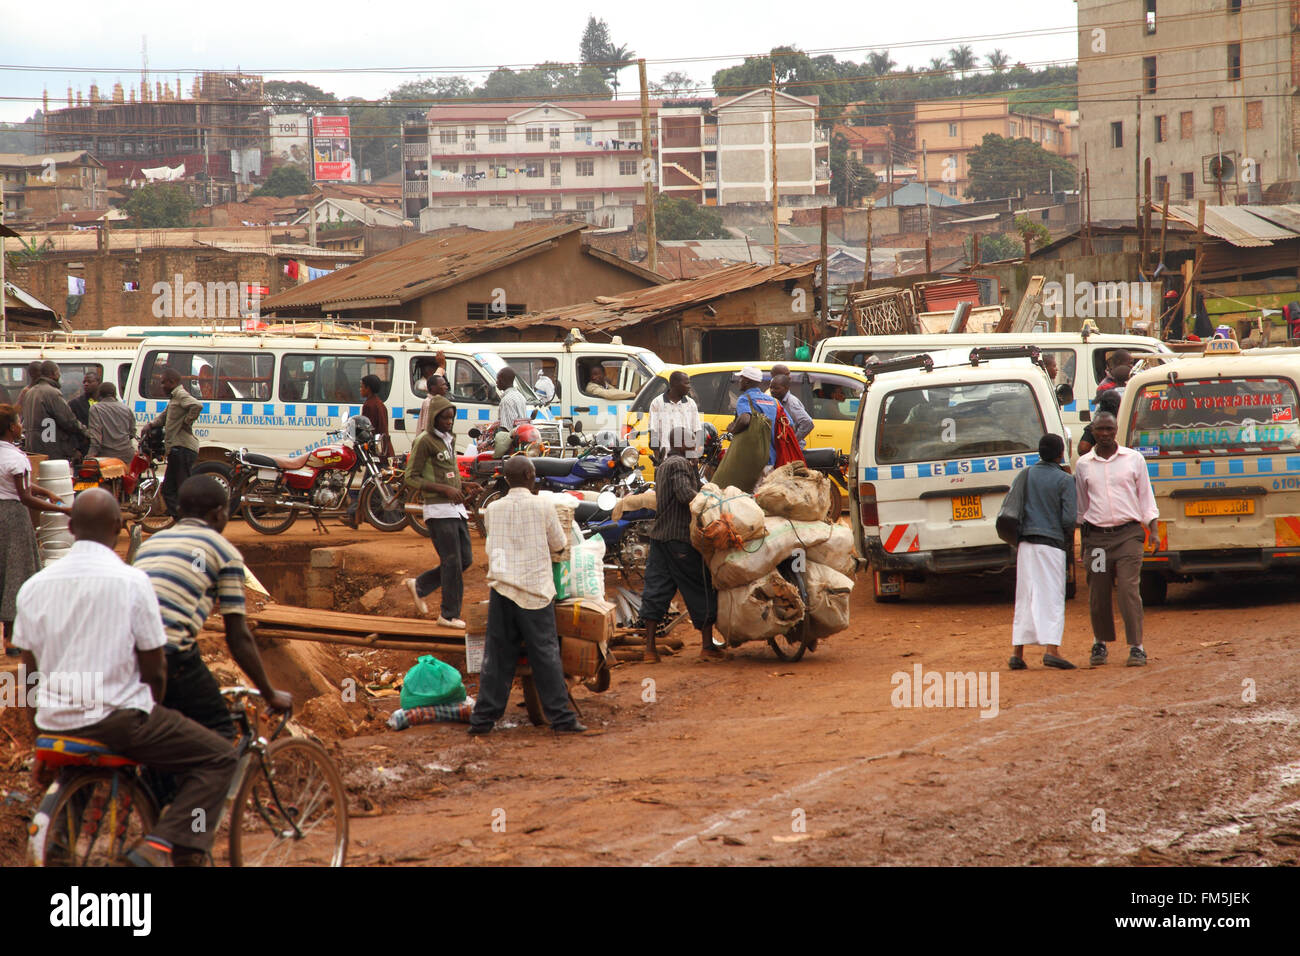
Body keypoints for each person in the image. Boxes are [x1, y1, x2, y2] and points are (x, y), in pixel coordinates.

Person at [12, 489, 238, 867]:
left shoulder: (34, 587)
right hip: (117, 721)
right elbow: (154, 670)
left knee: (84, 764)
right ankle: (160, 845)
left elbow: (30, 675)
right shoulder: (132, 583)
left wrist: (41, 732)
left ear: (69, 527)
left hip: (54, 723)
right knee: (219, 757)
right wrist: (151, 709)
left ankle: (59, 851)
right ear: (119, 528)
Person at [133, 476, 291, 810]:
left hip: (128, 656)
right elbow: (238, 635)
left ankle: (162, 802)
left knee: (167, 730)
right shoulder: (224, 552)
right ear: (220, 513)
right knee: (220, 735)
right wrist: (269, 692)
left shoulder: (151, 544)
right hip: (170, 655)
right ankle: (185, 828)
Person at [469, 456, 586, 735]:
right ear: (531, 475)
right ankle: (561, 719)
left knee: (497, 657)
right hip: (535, 591)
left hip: (502, 589)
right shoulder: (544, 505)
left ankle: (482, 720)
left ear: (507, 479)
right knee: (545, 655)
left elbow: (490, 548)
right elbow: (559, 544)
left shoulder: (493, 508)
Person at [1074, 411, 1159, 667]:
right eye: (1100, 430)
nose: (1105, 434)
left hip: (1128, 537)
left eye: (1110, 429)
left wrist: (1153, 529)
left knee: (1128, 590)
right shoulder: (1084, 465)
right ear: (1093, 431)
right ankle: (1100, 642)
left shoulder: (1134, 459)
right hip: (1098, 540)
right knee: (1098, 591)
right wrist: (1080, 543)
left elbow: (1146, 497)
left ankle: (1137, 646)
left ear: (1116, 430)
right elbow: (1081, 506)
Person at [641, 440, 721, 663]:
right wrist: (710, 501)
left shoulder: (664, 464)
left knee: (656, 589)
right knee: (700, 586)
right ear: (684, 443)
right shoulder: (679, 464)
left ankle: (650, 650)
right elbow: (684, 493)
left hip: (660, 538)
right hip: (679, 539)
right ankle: (707, 646)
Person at [1, 404, 71, 656]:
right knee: (16, 573)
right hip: (13, 518)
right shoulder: (17, 458)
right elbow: (25, 497)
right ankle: (11, 638)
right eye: (18, 421)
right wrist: (64, 510)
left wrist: (47, 491)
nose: (21, 425)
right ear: (11, 428)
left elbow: (20, 488)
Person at [403, 395, 478, 628]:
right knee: (452, 561)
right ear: (434, 417)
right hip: (437, 510)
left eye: (451, 418)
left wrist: (464, 486)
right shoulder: (424, 440)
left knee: (464, 559)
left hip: (455, 510)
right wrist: (444, 489)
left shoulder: (449, 439)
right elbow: (411, 477)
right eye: (445, 418)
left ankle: (420, 585)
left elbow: (448, 471)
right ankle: (448, 615)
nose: (449, 422)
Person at [1009, 434, 1077, 670]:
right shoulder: (1064, 480)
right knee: (1051, 598)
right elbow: (1069, 519)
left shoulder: (1025, 474)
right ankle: (1052, 651)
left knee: (1025, 597)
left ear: (1039, 452)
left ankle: (1017, 653)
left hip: (1025, 545)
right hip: (1051, 544)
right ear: (1060, 454)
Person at [142, 367, 202, 518]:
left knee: (181, 490)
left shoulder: (181, 394)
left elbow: (197, 405)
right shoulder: (174, 399)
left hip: (183, 448)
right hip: (176, 449)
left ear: (172, 382)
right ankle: (182, 519)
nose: (161, 386)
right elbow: (164, 417)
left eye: (163, 383)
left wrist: (186, 422)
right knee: (169, 490)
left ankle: (187, 520)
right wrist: (150, 425)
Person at [20, 361, 86, 463]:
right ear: (53, 374)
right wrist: (86, 432)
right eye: (58, 372)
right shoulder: (51, 392)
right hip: (51, 448)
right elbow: (68, 421)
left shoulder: (30, 392)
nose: (60, 376)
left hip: (32, 448)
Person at [728, 366, 782, 469]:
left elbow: (745, 419)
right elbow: (790, 425)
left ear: (747, 381)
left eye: (741, 378)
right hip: (772, 459)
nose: (739, 381)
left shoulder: (744, 399)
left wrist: (733, 430)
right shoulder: (773, 401)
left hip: (753, 460)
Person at [648, 370, 702, 461]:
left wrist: (694, 455)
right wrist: (658, 459)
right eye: (686, 383)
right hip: (666, 459)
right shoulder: (657, 403)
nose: (689, 387)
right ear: (675, 384)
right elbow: (653, 433)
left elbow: (696, 431)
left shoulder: (691, 403)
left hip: (686, 459)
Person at [86, 382, 138, 461]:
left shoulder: (96, 409)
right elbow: (132, 433)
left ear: (99, 394)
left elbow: (96, 437)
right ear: (115, 394)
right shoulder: (126, 408)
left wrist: (90, 456)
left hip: (107, 457)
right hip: (127, 455)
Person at [768, 373, 813, 445]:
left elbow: (808, 423)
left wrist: (793, 441)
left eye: (776, 388)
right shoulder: (776, 401)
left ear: (786, 388)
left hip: (791, 449)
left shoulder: (791, 402)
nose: (772, 391)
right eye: (771, 388)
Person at [1077, 390, 1122, 457]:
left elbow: (1083, 449)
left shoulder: (1096, 425)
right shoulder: (1126, 420)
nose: (1105, 433)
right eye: (1101, 429)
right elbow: (1083, 448)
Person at [68, 370, 100, 460]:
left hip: (103, 449)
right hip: (84, 449)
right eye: (84, 382)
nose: (86, 384)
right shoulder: (75, 404)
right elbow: (71, 427)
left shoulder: (104, 402)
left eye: (89, 382)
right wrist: (75, 449)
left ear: (98, 383)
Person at [359, 375, 392, 458]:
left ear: (368, 389)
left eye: (362, 387)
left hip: (376, 448)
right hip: (385, 445)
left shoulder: (368, 405)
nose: (360, 389)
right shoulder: (379, 403)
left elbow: (368, 430)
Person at [415, 369, 450, 436]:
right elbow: (426, 429)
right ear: (433, 388)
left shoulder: (436, 401)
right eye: (443, 385)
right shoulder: (430, 404)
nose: (446, 387)